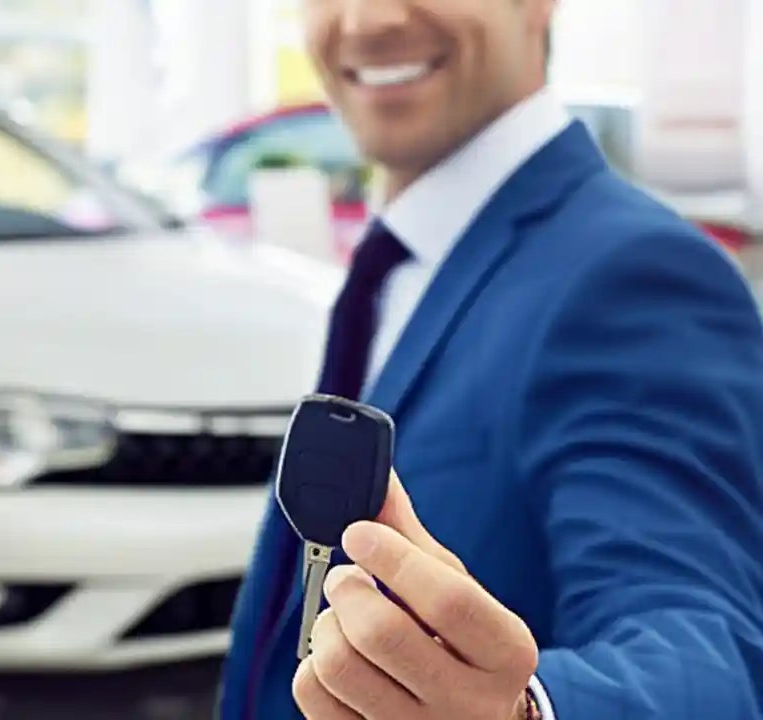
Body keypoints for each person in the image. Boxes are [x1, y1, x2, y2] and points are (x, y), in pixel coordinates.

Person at [218, 0, 763, 718]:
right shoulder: (402, 257)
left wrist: (525, 711)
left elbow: (705, 654)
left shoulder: (636, 272)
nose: (365, 20)